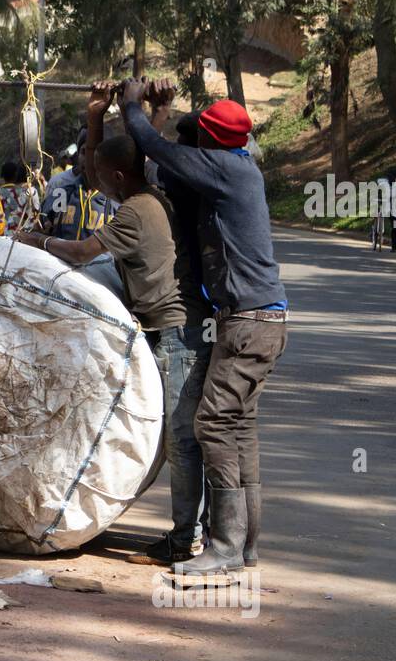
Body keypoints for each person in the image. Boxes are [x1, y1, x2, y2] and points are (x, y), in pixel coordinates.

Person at [18, 80, 212, 565]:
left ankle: (187, 538)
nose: (93, 183)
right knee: (179, 438)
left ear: (119, 179)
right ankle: (195, 530)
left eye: (102, 176)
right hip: (174, 328)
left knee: (180, 440)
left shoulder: (133, 213)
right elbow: (104, 164)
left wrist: (34, 242)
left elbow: (82, 251)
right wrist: (96, 118)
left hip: (176, 333)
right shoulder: (153, 195)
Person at [121, 79, 288, 577]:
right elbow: (167, 169)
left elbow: (153, 148)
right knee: (239, 429)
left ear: (209, 145)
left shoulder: (225, 169)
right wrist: (165, 109)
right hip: (265, 319)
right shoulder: (237, 170)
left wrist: (132, 104)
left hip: (248, 323)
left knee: (212, 424)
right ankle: (246, 547)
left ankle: (224, 546)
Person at [40, 128, 116, 239]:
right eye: (84, 152)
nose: (89, 160)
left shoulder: (118, 201)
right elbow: (41, 228)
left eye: (96, 153)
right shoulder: (60, 194)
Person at [378, 167, 396, 252]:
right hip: (390, 208)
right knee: (395, 227)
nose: (390, 179)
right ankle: (394, 246)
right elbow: (378, 183)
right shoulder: (384, 182)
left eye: (392, 177)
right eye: (389, 177)